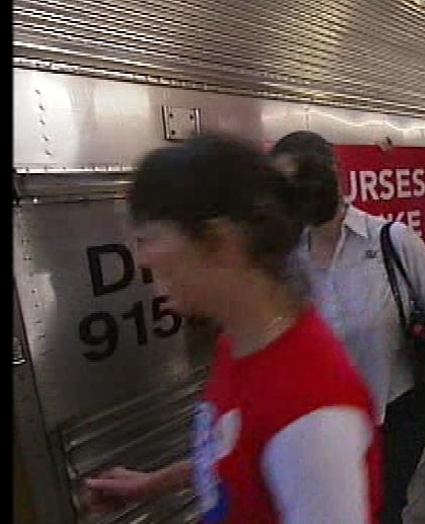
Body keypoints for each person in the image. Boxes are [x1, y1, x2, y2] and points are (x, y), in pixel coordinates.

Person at [84, 134, 381, 523]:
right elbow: (236, 454)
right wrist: (150, 484)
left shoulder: (311, 411)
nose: (141, 257)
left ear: (219, 242)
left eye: (149, 238)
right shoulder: (240, 344)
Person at [269, 131, 425, 524]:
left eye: (306, 179)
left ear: (335, 175)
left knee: (383, 510)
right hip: (320, 427)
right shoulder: (287, 261)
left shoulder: (391, 240)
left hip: (392, 418)